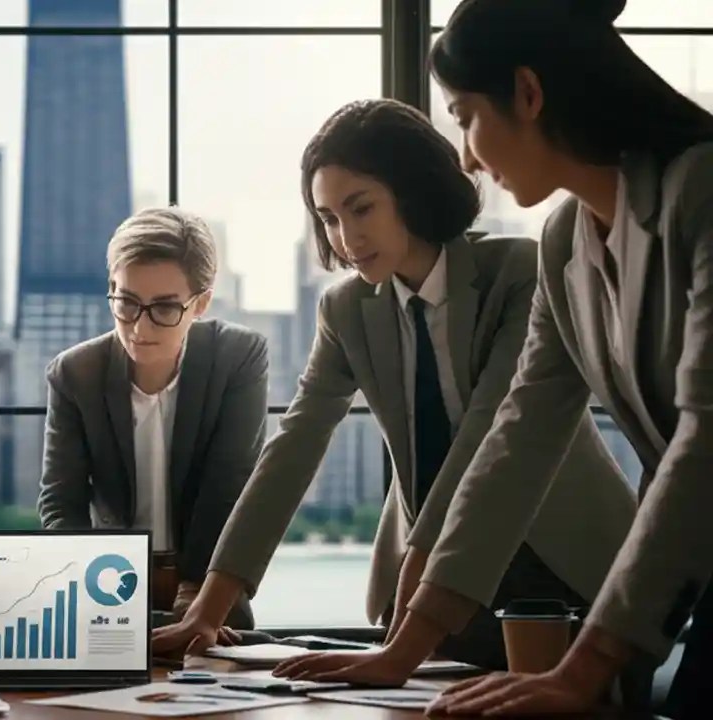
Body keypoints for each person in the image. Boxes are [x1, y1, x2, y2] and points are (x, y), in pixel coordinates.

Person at [311, 2, 713, 717]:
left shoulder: (702, 192)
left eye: (464, 116)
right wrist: (405, 650)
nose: (467, 157)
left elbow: (703, 440)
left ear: (528, 93)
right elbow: (517, 441)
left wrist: (582, 669)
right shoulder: (564, 243)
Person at [152, 99, 636, 674]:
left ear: (413, 193)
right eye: (329, 218)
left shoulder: (517, 272)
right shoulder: (346, 309)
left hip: (559, 567)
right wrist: (206, 611)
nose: (346, 237)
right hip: (425, 581)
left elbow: (486, 440)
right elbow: (293, 448)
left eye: (361, 208)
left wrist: (415, 594)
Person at [37, 206, 269, 629]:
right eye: (126, 303)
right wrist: (86, 588)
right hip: (104, 587)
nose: (139, 328)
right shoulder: (75, 373)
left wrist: (197, 588)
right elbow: (60, 502)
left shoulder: (237, 357)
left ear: (200, 304)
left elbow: (229, 482)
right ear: (111, 289)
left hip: (208, 588)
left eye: (164, 309)